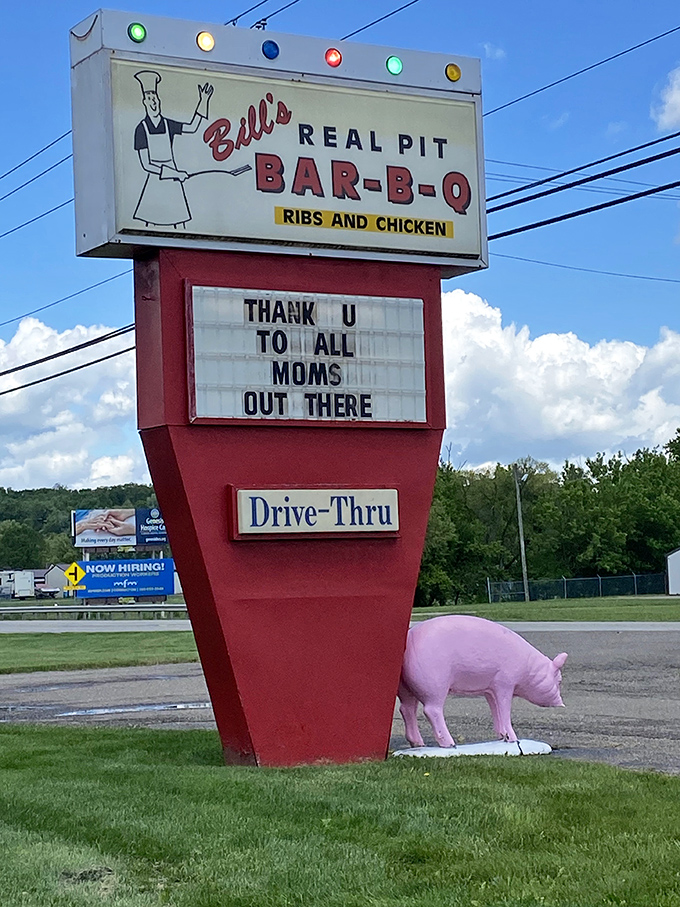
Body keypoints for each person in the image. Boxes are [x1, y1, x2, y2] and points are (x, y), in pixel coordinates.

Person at [132, 70, 213, 227]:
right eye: (149, 99)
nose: (154, 102)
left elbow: (192, 127)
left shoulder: (168, 124)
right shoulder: (141, 129)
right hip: (156, 182)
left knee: (180, 225)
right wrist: (174, 173)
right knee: (150, 225)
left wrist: (203, 101)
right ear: (144, 102)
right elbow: (146, 165)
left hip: (173, 183)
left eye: (155, 98)